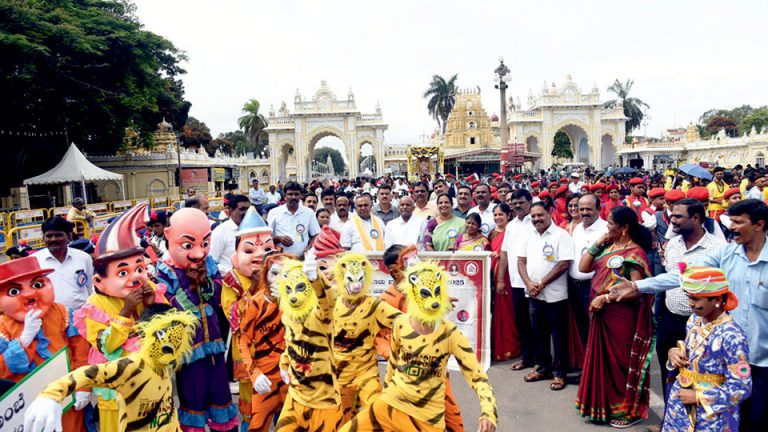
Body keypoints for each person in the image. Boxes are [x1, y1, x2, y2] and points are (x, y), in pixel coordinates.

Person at [610, 199, 768, 431]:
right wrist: (637, 286)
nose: (730, 227)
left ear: (759, 224)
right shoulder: (726, 255)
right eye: (731, 221)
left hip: (761, 362)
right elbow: (684, 275)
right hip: (724, 363)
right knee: (727, 418)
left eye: (737, 222)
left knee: (757, 420)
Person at [339, 261, 497, 432]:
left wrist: (489, 412)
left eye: (437, 293)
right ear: (412, 295)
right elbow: (393, 365)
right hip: (390, 405)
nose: (433, 301)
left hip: (426, 418)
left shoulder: (451, 334)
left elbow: (477, 375)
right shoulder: (400, 323)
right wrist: (385, 394)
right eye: (425, 294)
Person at [24, 305, 198, 432]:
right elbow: (89, 373)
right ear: (146, 334)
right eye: (163, 335)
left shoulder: (163, 365)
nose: (171, 345)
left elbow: (167, 409)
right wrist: (51, 395)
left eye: (178, 338)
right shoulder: (133, 365)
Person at [74, 204, 169, 431]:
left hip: (152, 379)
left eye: (139, 268)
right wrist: (126, 311)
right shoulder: (93, 306)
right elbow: (106, 345)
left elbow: (170, 333)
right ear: (99, 281)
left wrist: (151, 307)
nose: (135, 277)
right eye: (123, 272)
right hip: (116, 389)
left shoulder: (152, 290)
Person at [155, 208, 239, 431]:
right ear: (169, 235)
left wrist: (205, 283)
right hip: (187, 347)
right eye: (188, 245)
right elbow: (170, 304)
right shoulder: (165, 270)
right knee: (193, 397)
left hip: (214, 341)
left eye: (204, 243)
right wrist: (193, 286)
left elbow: (217, 298)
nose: (199, 253)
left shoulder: (209, 264)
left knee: (220, 393)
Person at [575, 206, 654, 428]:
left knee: (620, 363)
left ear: (624, 227)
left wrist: (606, 299)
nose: (607, 226)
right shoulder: (608, 246)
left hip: (621, 316)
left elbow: (636, 289)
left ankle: (630, 411)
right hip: (601, 315)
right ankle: (605, 407)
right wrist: (598, 242)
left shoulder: (634, 253)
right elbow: (583, 267)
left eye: (610, 223)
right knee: (604, 363)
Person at [0, 256, 90, 431]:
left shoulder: (63, 313)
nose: (29, 294)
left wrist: (84, 385)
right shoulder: (2, 328)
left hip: (67, 394)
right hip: (28, 403)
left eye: (37, 285)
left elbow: (80, 351)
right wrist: (23, 341)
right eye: (14, 292)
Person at [662, 265, 752, 431]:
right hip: (680, 405)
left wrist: (699, 396)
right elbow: (690, 355)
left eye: (696, 299)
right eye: (689, 297)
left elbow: (742, 387)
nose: (690, 303)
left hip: (712, 417)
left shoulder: (733, 337)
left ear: (717, 300)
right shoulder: (693, 320)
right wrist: (674, 353)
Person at [652, 198, 726, 399]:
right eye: (672, 215)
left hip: (703, 324)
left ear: (695, 218)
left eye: (678, 216)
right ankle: (669, 424)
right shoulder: (673, 244)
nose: (672, 220)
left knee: (698, 375)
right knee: (670, 373)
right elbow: (668, 278)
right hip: (670, 319)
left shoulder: (719, 247)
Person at [221, 207, 276, 429]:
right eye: (249, 250)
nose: (259, 255)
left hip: (276, 349)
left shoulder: (276, 274)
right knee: (251, 401)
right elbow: (234, 316)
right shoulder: (232, 280)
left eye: (267, 249)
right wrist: (253, 288)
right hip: (248, 351)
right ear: (235, 255)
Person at [331, 253, 402, 424]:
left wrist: (430, 312)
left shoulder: (374, 305)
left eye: (360, 279)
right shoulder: (332, 303)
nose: (356, 285)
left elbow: (403, 320)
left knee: (378, 415)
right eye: (351, 279)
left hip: (366, 374)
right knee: (342, 423)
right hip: (339, 375)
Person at [275, 256, 342, 431]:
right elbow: (291, 342)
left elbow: (328, 302)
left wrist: (316, 279)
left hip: (324, 402)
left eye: (300, 288)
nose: (293, 296)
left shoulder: (320, 317)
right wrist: (283, 363)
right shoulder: (288, 316)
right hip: (296, 398)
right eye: (288, 290)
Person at [516, 201, 574, 391]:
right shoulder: (528, 236)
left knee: (558, 336)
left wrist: (541, 284)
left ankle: (559, 373)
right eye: (533, 216)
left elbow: (563, 264)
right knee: (538, 333)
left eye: (540, 215)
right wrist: (529, 284)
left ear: (550, 213)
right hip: (533, 294)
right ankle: (542, 368)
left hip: (555, 295)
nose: (536, 219)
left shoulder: (561, 236)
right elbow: (521, 262)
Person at [238, 253, 293, 431]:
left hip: (292, 375)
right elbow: (243, 341)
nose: (278, 279)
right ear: (265, 274)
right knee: (258, 426)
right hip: (266, 377)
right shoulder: (256, 303)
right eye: (274, 273)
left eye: (284, 274)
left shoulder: (299, 303)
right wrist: (254, 374)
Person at [498, 189, 536, 371]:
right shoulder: (511, 225)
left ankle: (542, 359)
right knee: (521, 320)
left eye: (521, 202)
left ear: (530, 201)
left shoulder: (536, 222)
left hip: (534, 281)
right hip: (515, 281)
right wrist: (500, 280)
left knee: (538, 322)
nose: (518, 205)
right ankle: (527, 357)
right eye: (515, 203)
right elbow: (504, 253)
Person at [568, 194, 608, 351]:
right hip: (575, 287)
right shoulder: (577, 228)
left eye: (588, 209)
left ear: (598, 209)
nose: (584, 212)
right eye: (581, 209)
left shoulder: (605, 229)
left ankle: (599, 371)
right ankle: (589, 370)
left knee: (596, 330)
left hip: (594, 287)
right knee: (583, 329)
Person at [35, 217, 93, 310]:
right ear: (43, 238)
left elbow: (90, 288)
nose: (53, 239)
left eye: (58, 235)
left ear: (69, 236)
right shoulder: (34, 260)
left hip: (81, 315)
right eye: (49, 236)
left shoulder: (84, 257)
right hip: (49, 318)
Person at [489, 203, 520, 361]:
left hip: (507, 276)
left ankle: (511, 347)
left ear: (509, 215)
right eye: (495, 215)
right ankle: (499, 347)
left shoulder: (512, 231)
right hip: (494, 277)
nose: (497, 217)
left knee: (508, 312)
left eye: (501, 214)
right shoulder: (492, 233)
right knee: (498, 313)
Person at [268, 181, 321, 257]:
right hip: (280, 259)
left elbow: (316, 234)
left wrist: (309, 248)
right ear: (285, 196)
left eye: (296, 194)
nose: (293, 197)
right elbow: (267, 238)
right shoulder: (274, 212)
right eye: (290, 194)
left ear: (300, 196)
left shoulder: (309, 213)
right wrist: (279, 238)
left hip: (302, 259)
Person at [210, 194, 250, 275]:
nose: (246, 213)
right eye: (242, 209)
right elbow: (212, 261)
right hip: (229, 282)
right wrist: (231, 273)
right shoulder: (220, 231)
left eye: (248, 209)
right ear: (231, 210)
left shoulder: (251, 230)